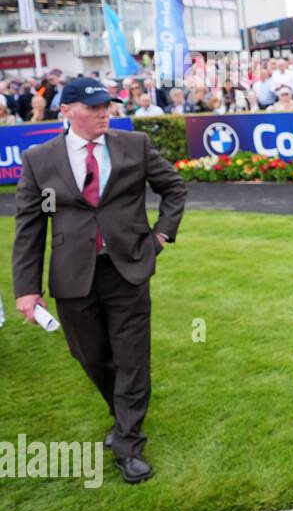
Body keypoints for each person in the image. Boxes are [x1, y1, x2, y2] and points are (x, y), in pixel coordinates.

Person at [11, 78, 187, 484]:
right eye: (94, 107)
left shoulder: (134, 145)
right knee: (91, 356)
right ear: (67, 110)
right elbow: (29, 229)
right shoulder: (40, 159)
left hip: (127, 270)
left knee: (132, 359)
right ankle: (121, 415)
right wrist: (26, 289)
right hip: (72, 278)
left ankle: (128, 443)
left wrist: (160, 236)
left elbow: (174, 189)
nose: (104, 112)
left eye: (107, 105)